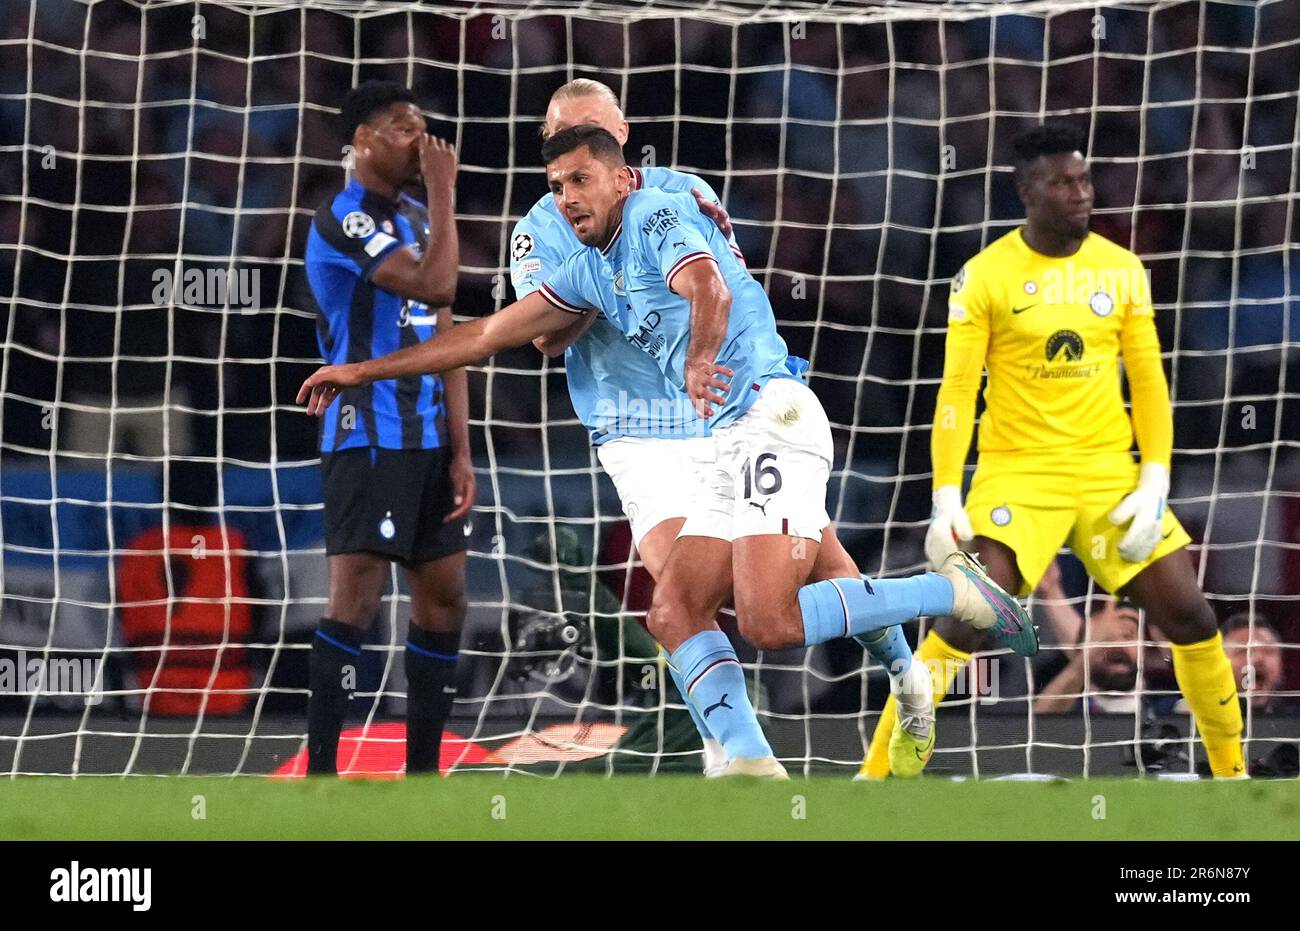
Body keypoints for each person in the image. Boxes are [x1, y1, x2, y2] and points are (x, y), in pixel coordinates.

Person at [299, 125, 1037, 778]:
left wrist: (700, 357)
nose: (568, 198)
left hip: (773, 416)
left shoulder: (655, 215)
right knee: (676, 610)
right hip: (722, 440)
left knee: (769, 621)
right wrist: (361, 369)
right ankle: (749, 763)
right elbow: (488, 333)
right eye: (557, 186)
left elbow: (706, 286)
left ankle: (955, 594)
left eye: (582, 179)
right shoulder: (587, 267)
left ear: (623, 176)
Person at [507, 79, 936, 778]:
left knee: (798, 574)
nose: (578, 148)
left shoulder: (685, 193)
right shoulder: (543, 224)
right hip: (634, 431)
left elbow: (720, 281)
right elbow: (545, 340)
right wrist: (602, 277)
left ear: (621, 132)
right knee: (687, 603)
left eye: (593, 130)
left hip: (719, 405)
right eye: (563, 136)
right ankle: (739, 756)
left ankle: (906, 673)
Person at [862, 122, 1246, 779]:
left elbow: (1149, 381)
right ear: (1026, 193)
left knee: (1190, 611)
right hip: (1017, 475)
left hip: (1107, 473)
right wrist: (947, 495)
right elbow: (956, 390)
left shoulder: (1122, 269)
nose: (1081, 192)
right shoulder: (983, 276)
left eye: (1085, 179)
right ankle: (881, 779)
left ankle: (1232, 774)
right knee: (966, 620)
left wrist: (1154, 481)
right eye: (1063, 182)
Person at [301, 81, 475, 776]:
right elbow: (435, 286)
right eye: (404, 126)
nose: (421, 139)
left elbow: (449, 332)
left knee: (445, 597)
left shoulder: (416, 219)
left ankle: (424, 776)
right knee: (359, 598)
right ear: (363, 140)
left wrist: (463, 449)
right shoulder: (344, 217)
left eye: (423, 125)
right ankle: (318, 776)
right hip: (367, 434)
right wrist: (444, 190)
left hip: (431, 437)